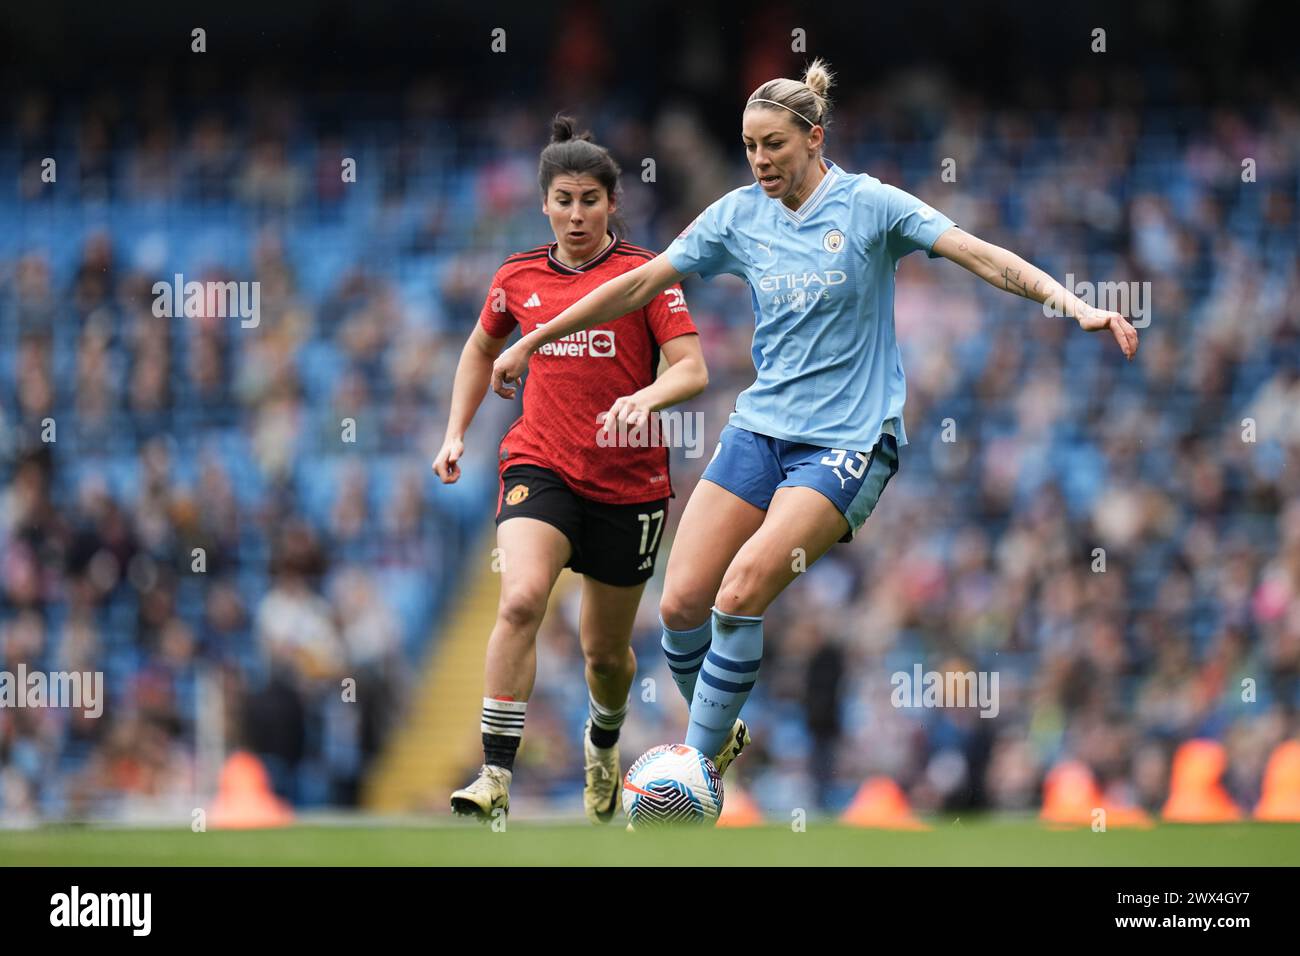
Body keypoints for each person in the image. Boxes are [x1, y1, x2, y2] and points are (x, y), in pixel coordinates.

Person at [489, 61, 1139, 776]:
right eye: (748, 146)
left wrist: (1073, 303)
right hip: (760, 429)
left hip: (848, 442)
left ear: (814, 139)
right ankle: (716, 737)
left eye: (773, 145)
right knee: (678, 603)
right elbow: (638, 281)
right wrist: (534, 338)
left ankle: (695, 772)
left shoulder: (871, 207)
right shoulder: (739, 215)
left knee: (739, 592)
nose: (760, 160)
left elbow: (976, 254)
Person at [433, 116, 707, 822]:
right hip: (540, 464)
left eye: (590, 200)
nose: (576, 214)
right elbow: (477, 351)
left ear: (613, 203)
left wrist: (643, 399)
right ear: (544, 204)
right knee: (521, 597)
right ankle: (494, 775)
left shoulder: (647, 278)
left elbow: (693, 371)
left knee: (605, 657)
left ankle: (603, 742)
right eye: (563, 200)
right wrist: (455, 433)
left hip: (629, 484)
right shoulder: (516, 277)